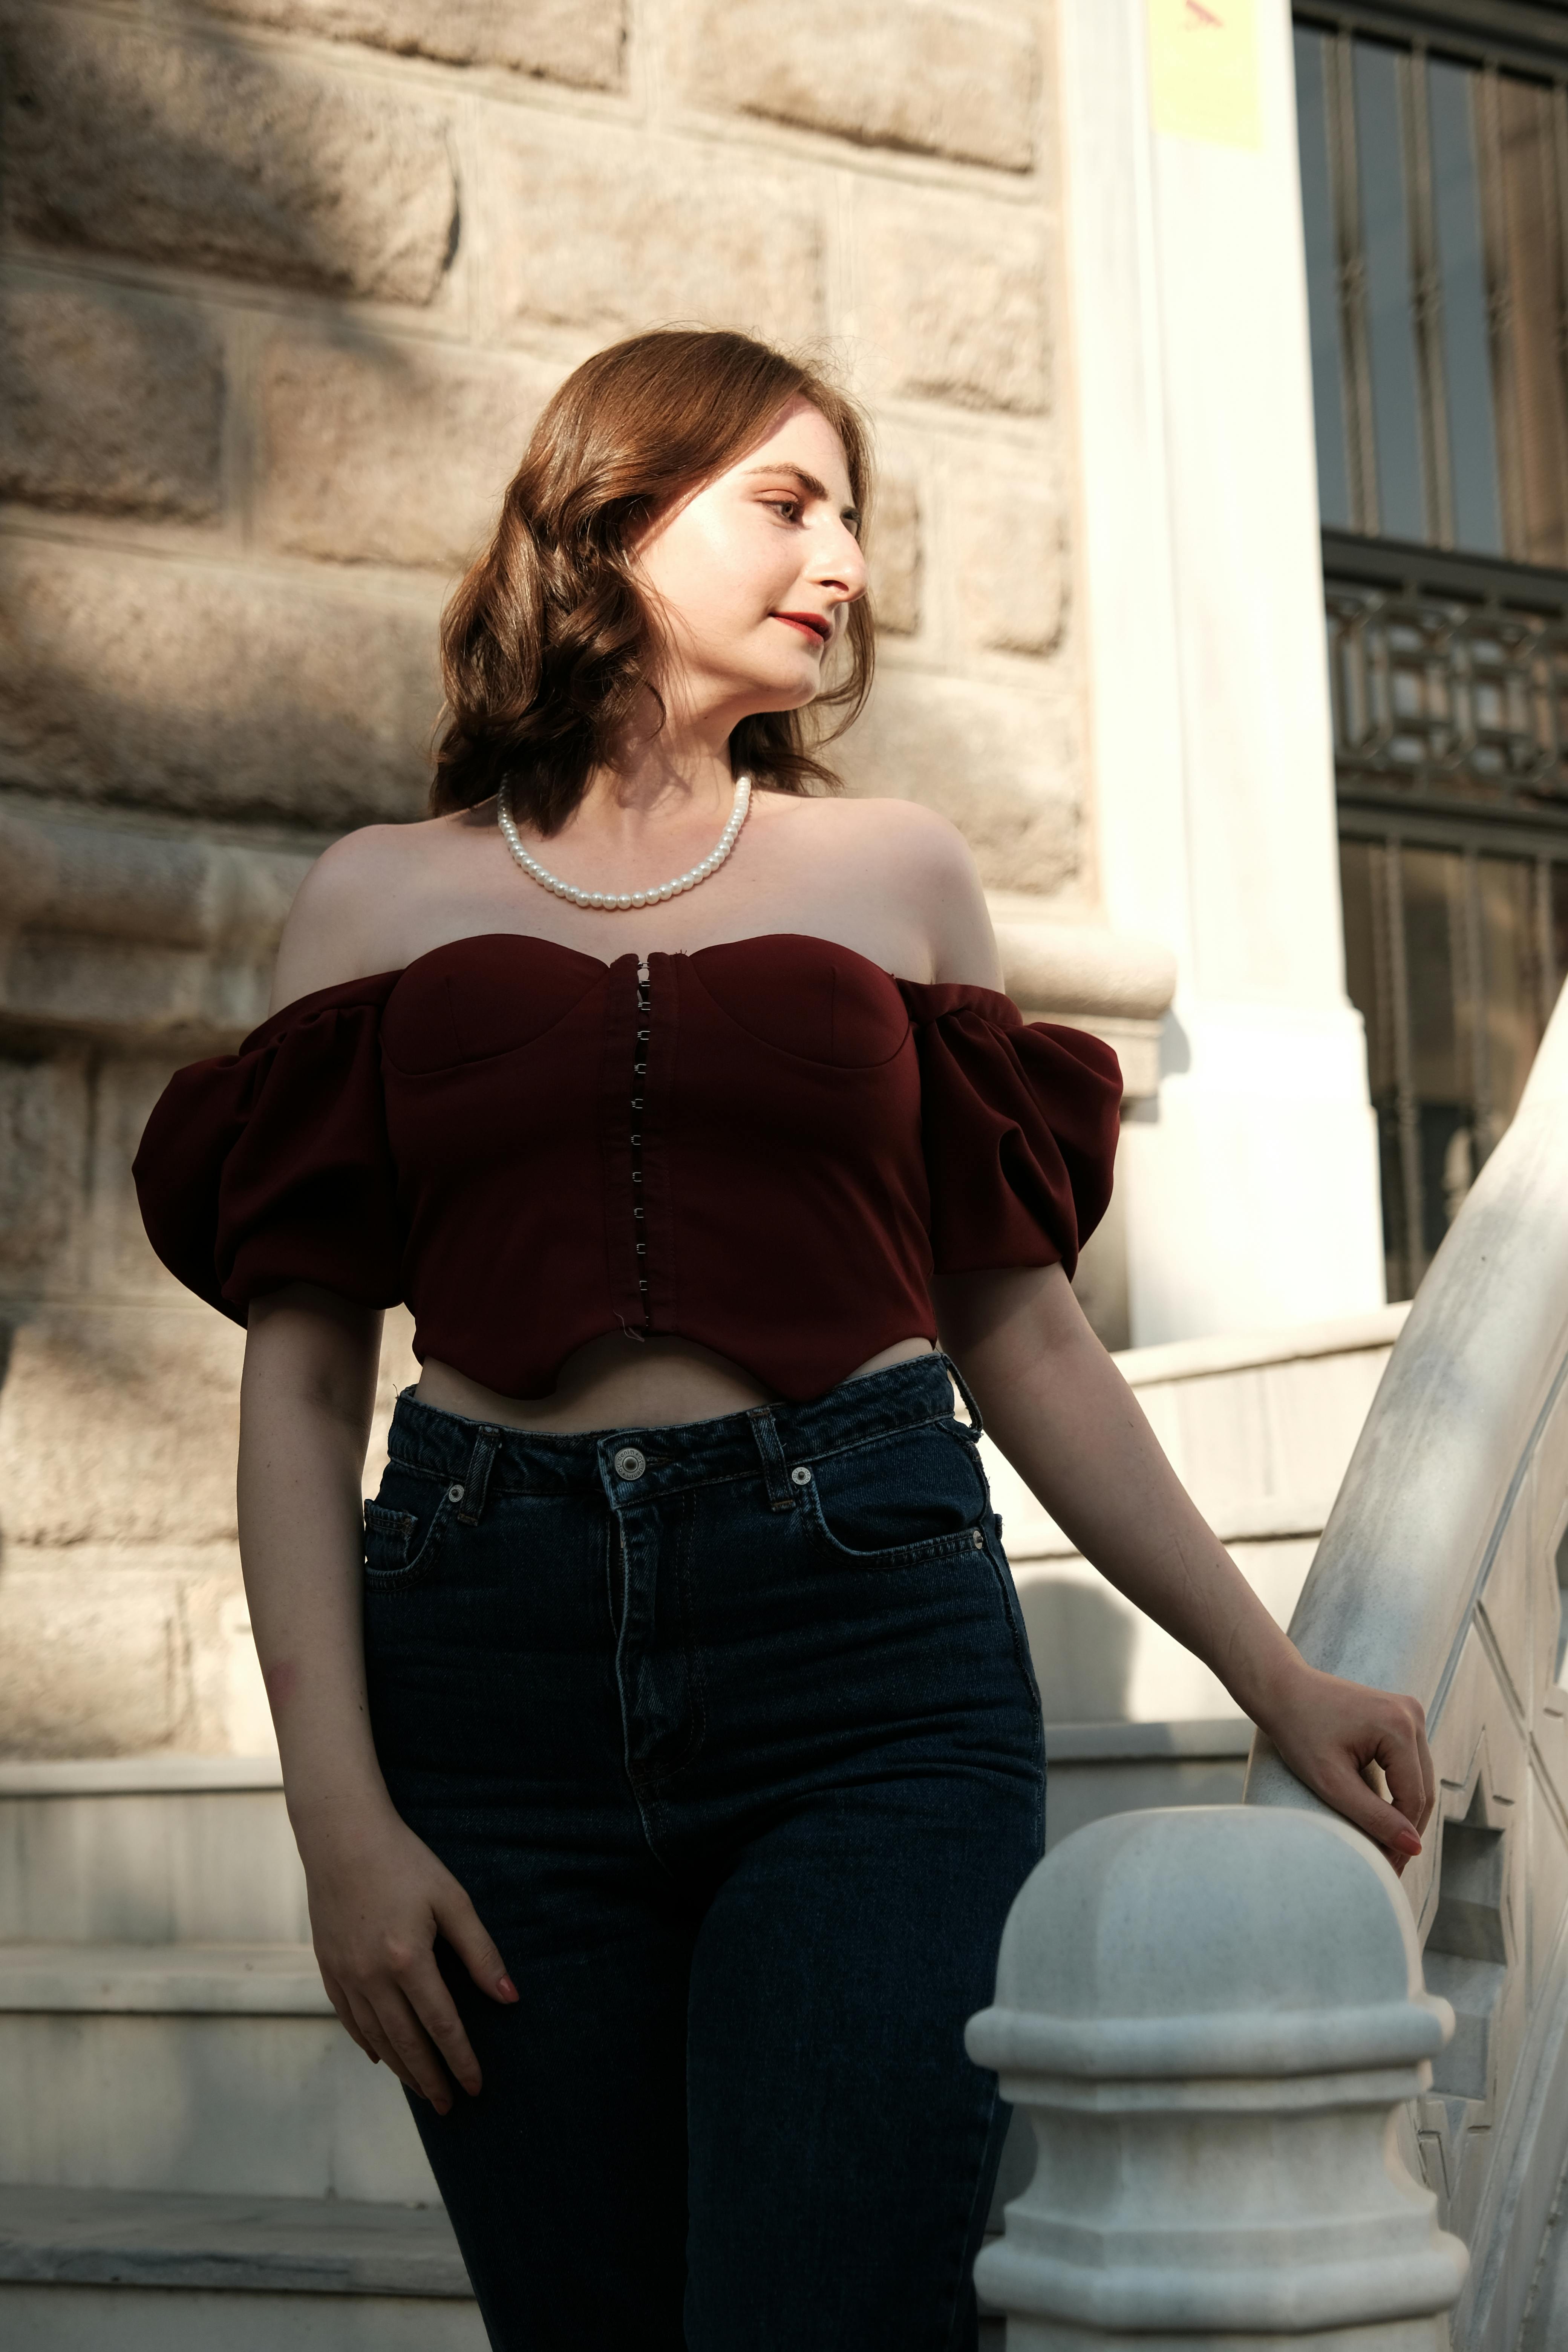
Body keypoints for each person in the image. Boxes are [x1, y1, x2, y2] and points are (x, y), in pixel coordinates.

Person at [133, 326, 1435, 2352]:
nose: (845, 562)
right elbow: (301, 1389)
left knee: (830, 2313)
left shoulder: (896, 874)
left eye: (855, 517)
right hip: (485, 1664)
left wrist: (1271, 1670)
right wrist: (339, 1824)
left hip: (862, 1653)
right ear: (617, 519)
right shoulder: (374, 902)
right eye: (788, 504)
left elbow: (1024, 1333)